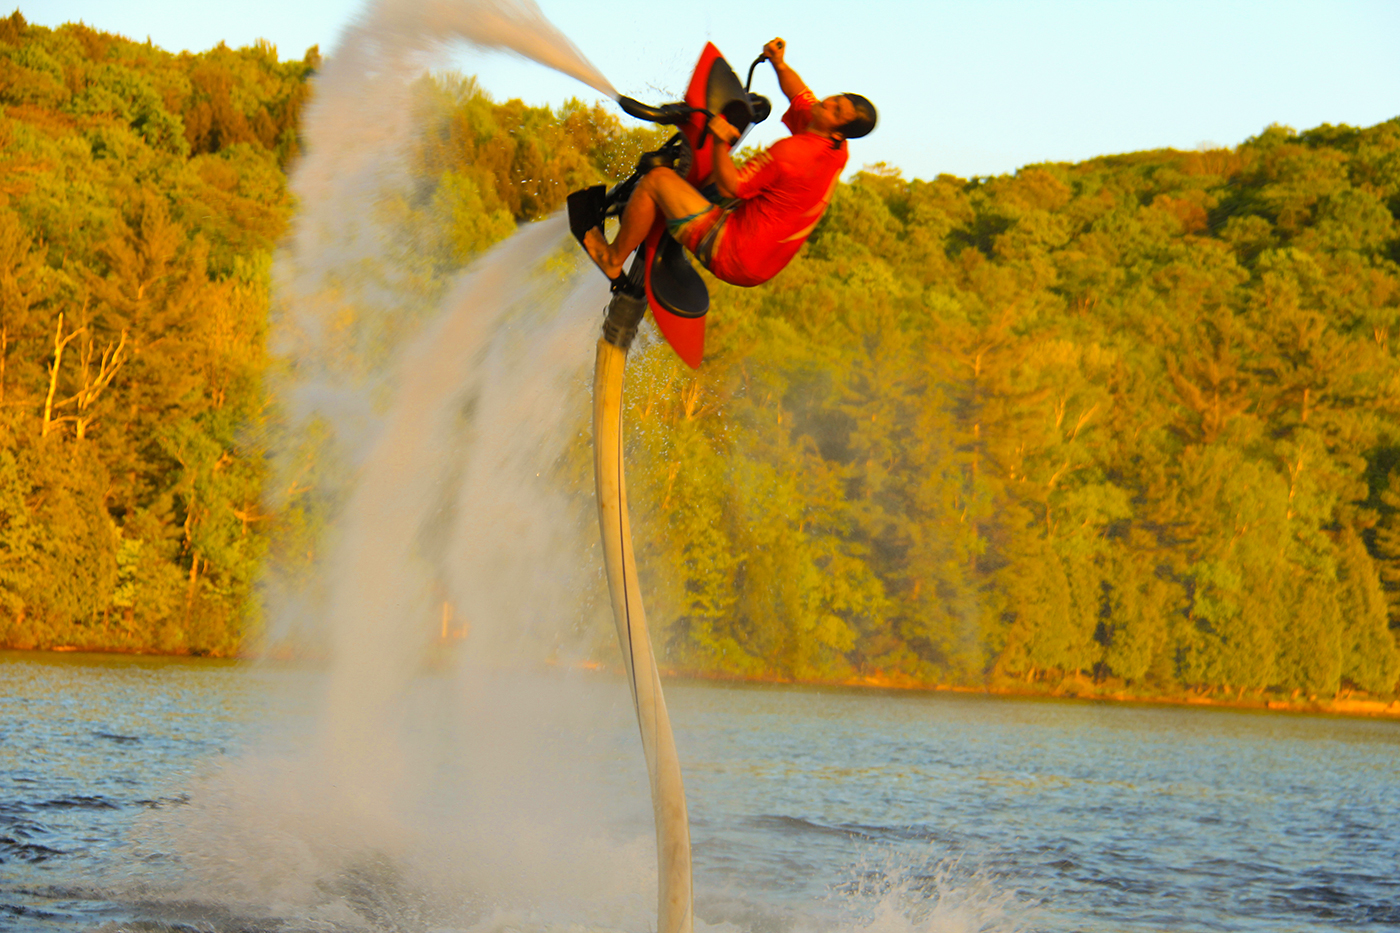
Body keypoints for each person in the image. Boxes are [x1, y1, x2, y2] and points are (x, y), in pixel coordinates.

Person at [583, 37, 876, 288]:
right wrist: (780, 63)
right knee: (705, 177)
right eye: (836, 98)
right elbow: (799, 94)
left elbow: (732, 186)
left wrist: (720, 141)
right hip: (764, 257)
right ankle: (670, 214)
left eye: (836, 110)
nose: (827, 103)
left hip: (736, 253)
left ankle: (612, 259)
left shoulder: (794, 152)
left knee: (658, 179)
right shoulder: (835, 146)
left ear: (838, 129)